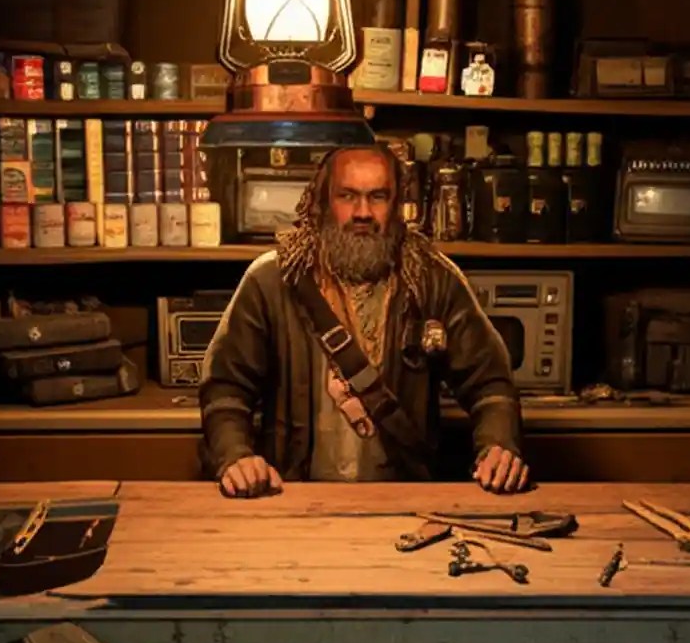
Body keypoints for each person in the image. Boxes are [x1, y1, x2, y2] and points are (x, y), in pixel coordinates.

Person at [199, 144, 529, 498]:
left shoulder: (433, 279)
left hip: (405, 499)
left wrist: (498, 447)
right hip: (292, 496)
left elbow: (490, 386)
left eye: (378, 197)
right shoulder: (273, 280)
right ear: (323, 202)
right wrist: (236, 456)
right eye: (347, 196)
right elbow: (226, 389)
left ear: (397, 205)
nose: (362, 212)